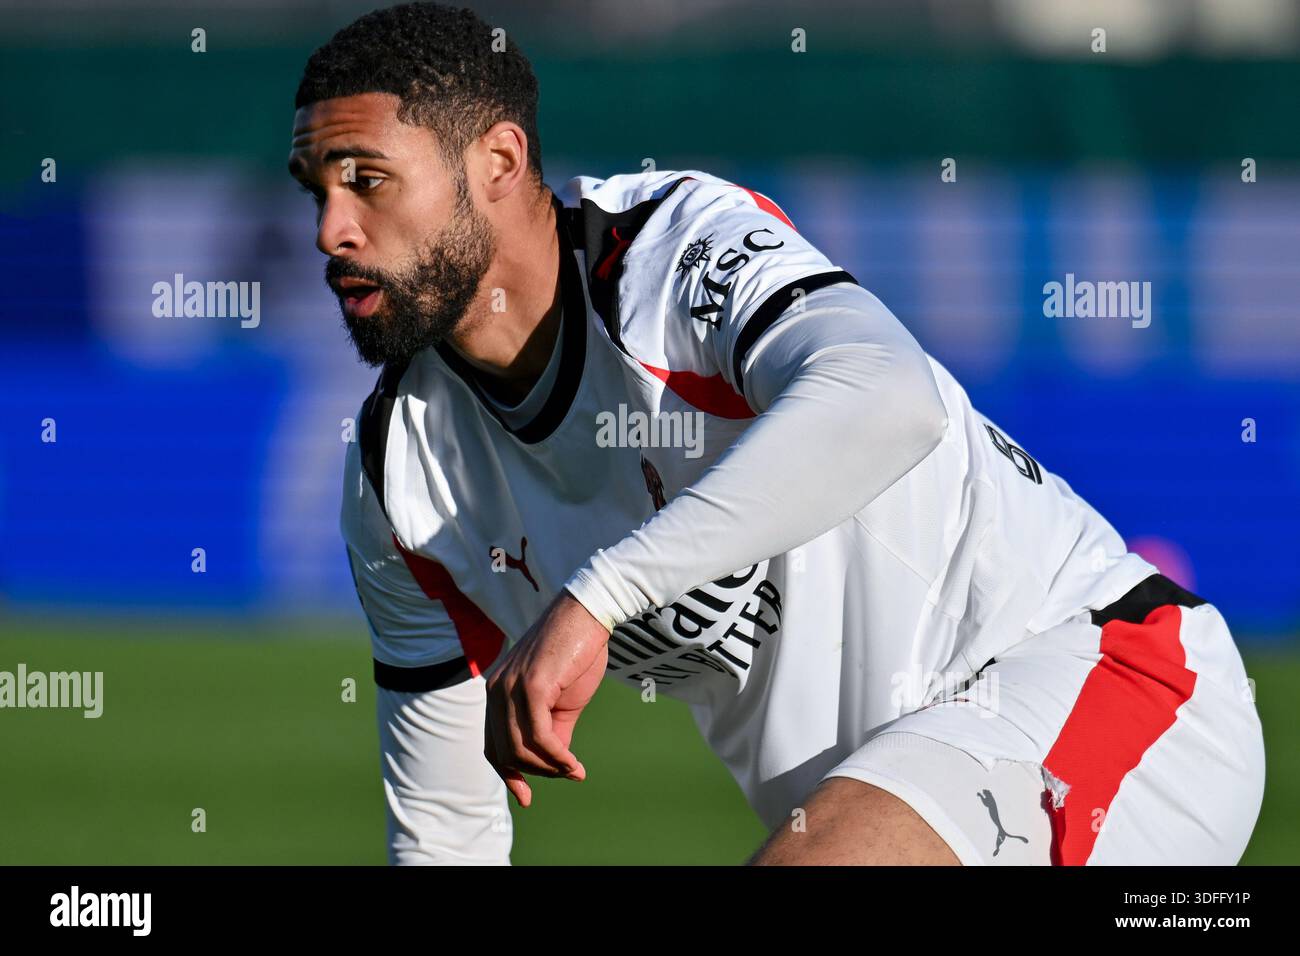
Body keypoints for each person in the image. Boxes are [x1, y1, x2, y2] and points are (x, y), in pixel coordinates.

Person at [287, 2, 1265, 865]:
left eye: (367, 180)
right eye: (315, 187)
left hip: (1110, 679)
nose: (330, 227)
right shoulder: (397, 474)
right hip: (908, 796)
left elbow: (889, 397)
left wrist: (600, 594)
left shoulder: (671, 254)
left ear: (497, 161)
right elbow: (444, 834)